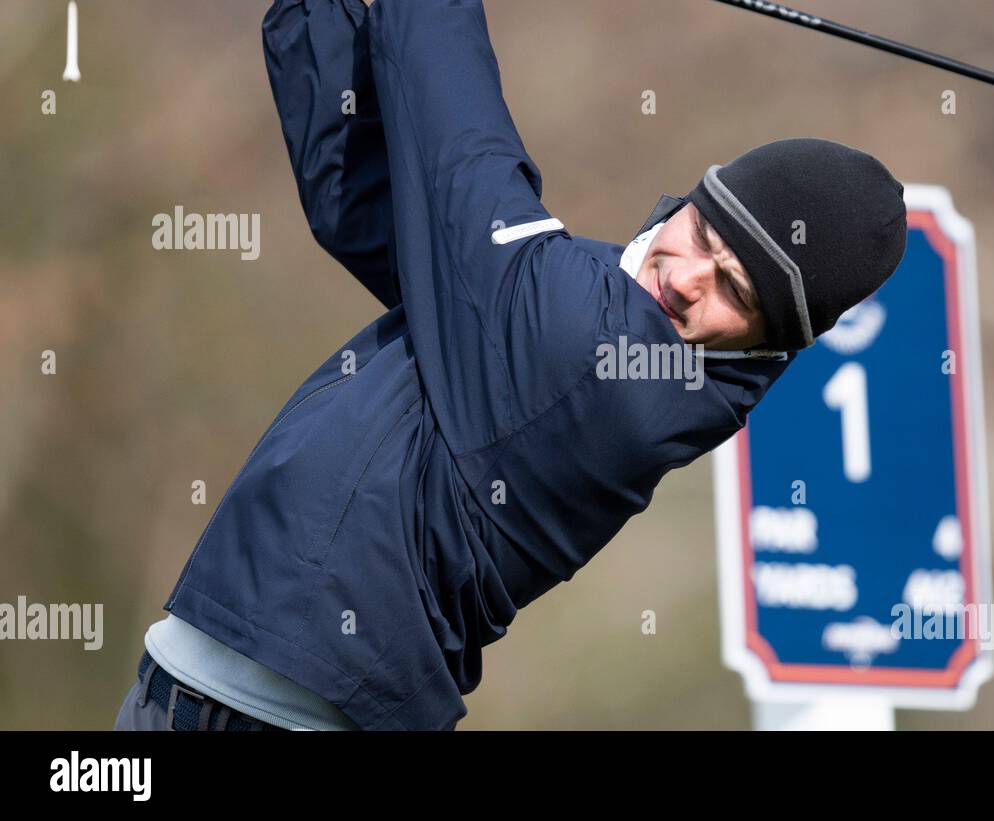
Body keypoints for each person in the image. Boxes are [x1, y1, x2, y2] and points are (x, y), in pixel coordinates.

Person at [113, 0, 907, 731]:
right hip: (230, 692)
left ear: (770, 342)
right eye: (704, 231)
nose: (689, 274)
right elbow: (360, 199)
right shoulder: (561, 308)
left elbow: (459, 140)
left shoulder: (603, 362)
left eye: (733, 287)